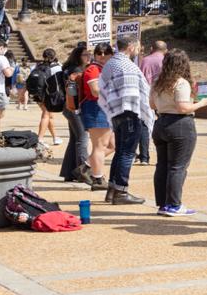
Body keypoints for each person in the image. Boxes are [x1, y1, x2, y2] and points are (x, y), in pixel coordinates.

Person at [98, 37, 152, 204]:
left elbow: (103, 87)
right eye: (137, 46)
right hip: (128, 111)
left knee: (121, 151)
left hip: (116, 112)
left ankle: (112, 191)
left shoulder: (111, 63)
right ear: (130, 46)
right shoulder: (127, 65)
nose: (138, 49)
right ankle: (121, 192)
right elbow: (131, 92)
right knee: (127, 152)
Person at [150, 49, 202, 216]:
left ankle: (163, 203)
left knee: (163, 165)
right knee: (178, 167)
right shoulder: (181, 83)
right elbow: (183, 108)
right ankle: (174, 204)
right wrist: (202, 103)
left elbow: (152, 105)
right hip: (180, 124)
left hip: (161, 122)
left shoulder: (157, 81)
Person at [78, 41, 112, 190]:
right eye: (99, 53)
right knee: (99, 146)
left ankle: (85, 167)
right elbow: (95, 91)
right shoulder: (93, 69)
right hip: (96, 108)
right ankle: (97, 179)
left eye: (105, 53)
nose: (102, 56)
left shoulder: (104, 69)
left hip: (103, 108)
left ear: (111, 54)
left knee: (112, 145)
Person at [58, 42, 92, 184]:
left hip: (69, 107)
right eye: (85, 54)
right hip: (74, 107)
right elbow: (72, 90)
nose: (89, 56)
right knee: (82, 139)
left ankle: (68, 172)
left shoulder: (69, 68)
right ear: (78, 56)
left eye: (89, 54)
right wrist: (76, 106)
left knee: (74, 139)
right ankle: (83, 173)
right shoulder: (76, 70)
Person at [29, 48, 60, 144]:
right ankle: (40, 139)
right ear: (54, 56)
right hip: (48, 95)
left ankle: (55, 137)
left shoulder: (37, 66)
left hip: (37, 94)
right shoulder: (57, 67)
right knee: (46, 115)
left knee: (49, 116)